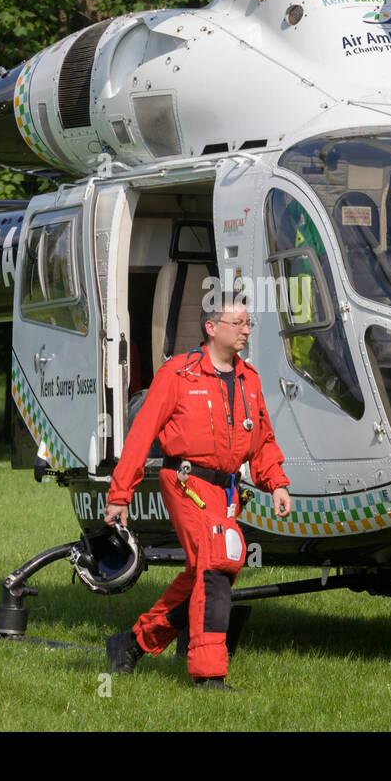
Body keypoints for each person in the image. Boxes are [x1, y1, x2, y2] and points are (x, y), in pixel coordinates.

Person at [103, 293, 294, 691]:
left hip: (226, 491)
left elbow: (261, 439)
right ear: (211, 327)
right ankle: (209, 675)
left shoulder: (250, 379)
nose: (246, 330)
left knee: (203, 573)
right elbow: (140, 436)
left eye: (247, 324)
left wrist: (276, 482)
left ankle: (131, 645)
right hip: (186, 483)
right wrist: (120, 494)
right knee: (216, 567)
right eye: (237, 323)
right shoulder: (178, 374)